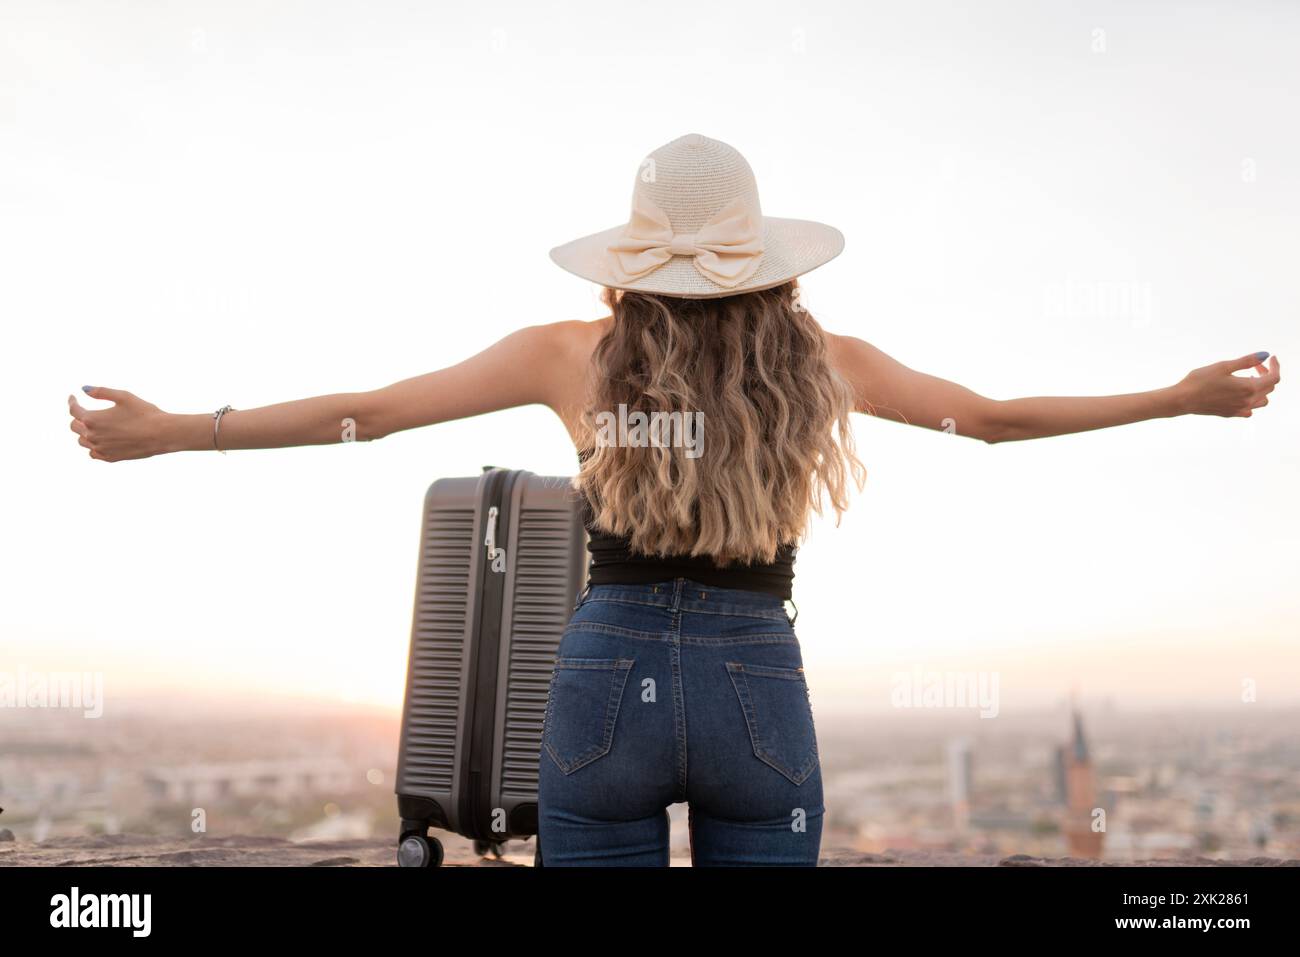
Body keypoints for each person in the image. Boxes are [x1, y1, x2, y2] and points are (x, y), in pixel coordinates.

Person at [67, 133, 1280, 866]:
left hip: (603, 680)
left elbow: (369, 413)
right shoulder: (824, 361)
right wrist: (1174, 397)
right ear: (762, 256)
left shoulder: (565, 356)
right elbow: (1000, 420)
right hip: (761, 682)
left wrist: (180, 432)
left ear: (634, 256)